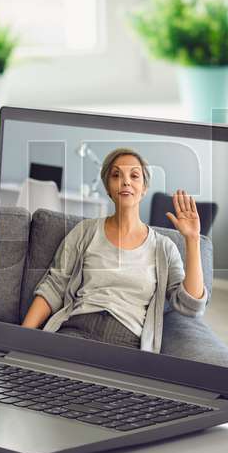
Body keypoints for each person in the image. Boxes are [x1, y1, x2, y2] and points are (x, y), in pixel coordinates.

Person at [20, 147, 208, 351]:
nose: (125, 181)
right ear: (108, 188)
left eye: (134, 176)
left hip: (126, 341)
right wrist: (21, 337)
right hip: (75, 329)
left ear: (144, 187)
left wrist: (192, 240)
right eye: (116, 175)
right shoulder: (85, 231)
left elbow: (190, 306)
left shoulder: (164, 248)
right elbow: (54, 288)